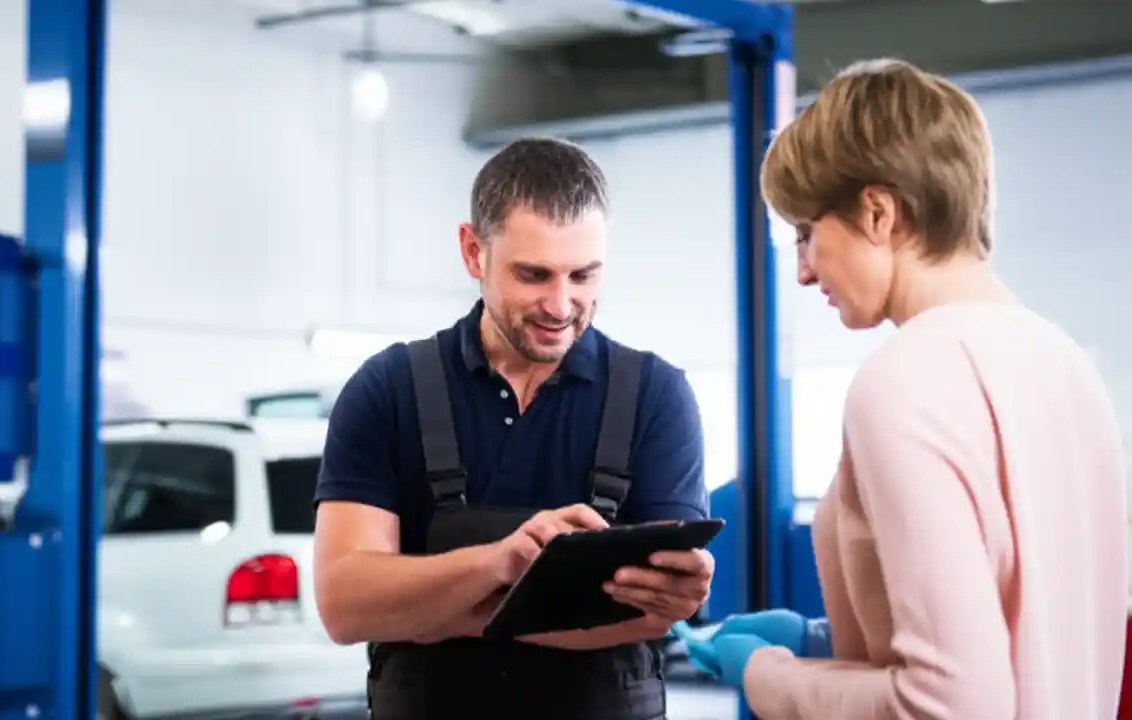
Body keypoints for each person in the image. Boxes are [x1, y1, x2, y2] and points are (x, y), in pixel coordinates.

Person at [675, 58, 1129, 718]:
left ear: (879, 212)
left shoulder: (909, 378)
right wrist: (816, 643)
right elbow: (1018, 639)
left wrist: (770, 677)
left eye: (807, 233)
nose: (803, 271)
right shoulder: (1065, 365)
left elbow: (952, 704)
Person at [310, 137, 714, 719]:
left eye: (583, 275)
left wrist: (438, 615)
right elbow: (347, 605)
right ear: (474, 253)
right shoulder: (388, 390)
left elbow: (653, 611)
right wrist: (501, 562)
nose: (561, 304)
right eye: (534, 275)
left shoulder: (655, 396)